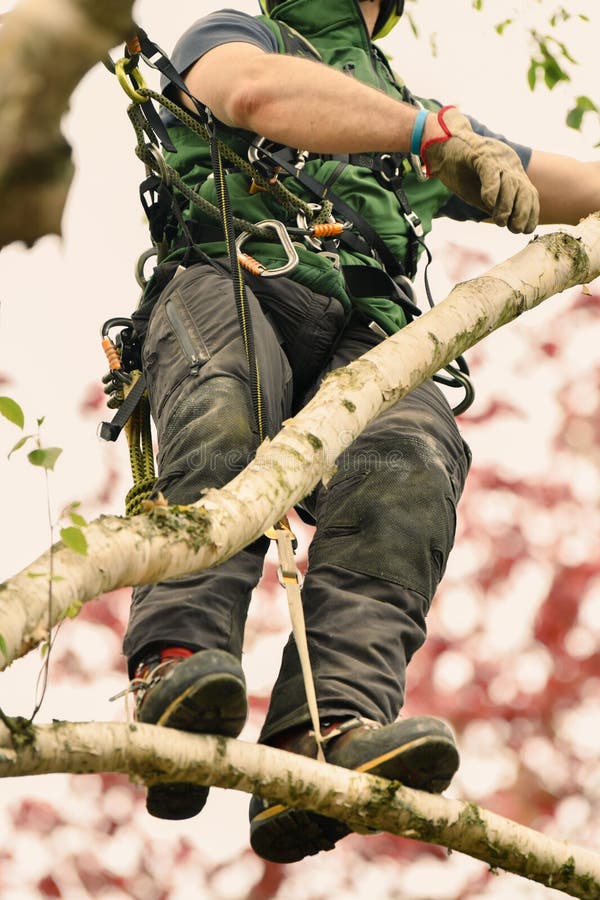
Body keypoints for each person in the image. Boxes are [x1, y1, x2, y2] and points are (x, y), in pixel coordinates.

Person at [121, 0, 600, 864]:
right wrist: (431, 137)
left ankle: (327, 724)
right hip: (239, 270)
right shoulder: (244, 35)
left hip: (365, 327)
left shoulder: (421, 121)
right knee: (223, 411)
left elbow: (570, 182)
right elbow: (255, 94)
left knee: (412, 463)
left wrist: (451, 143)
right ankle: (176, 662)